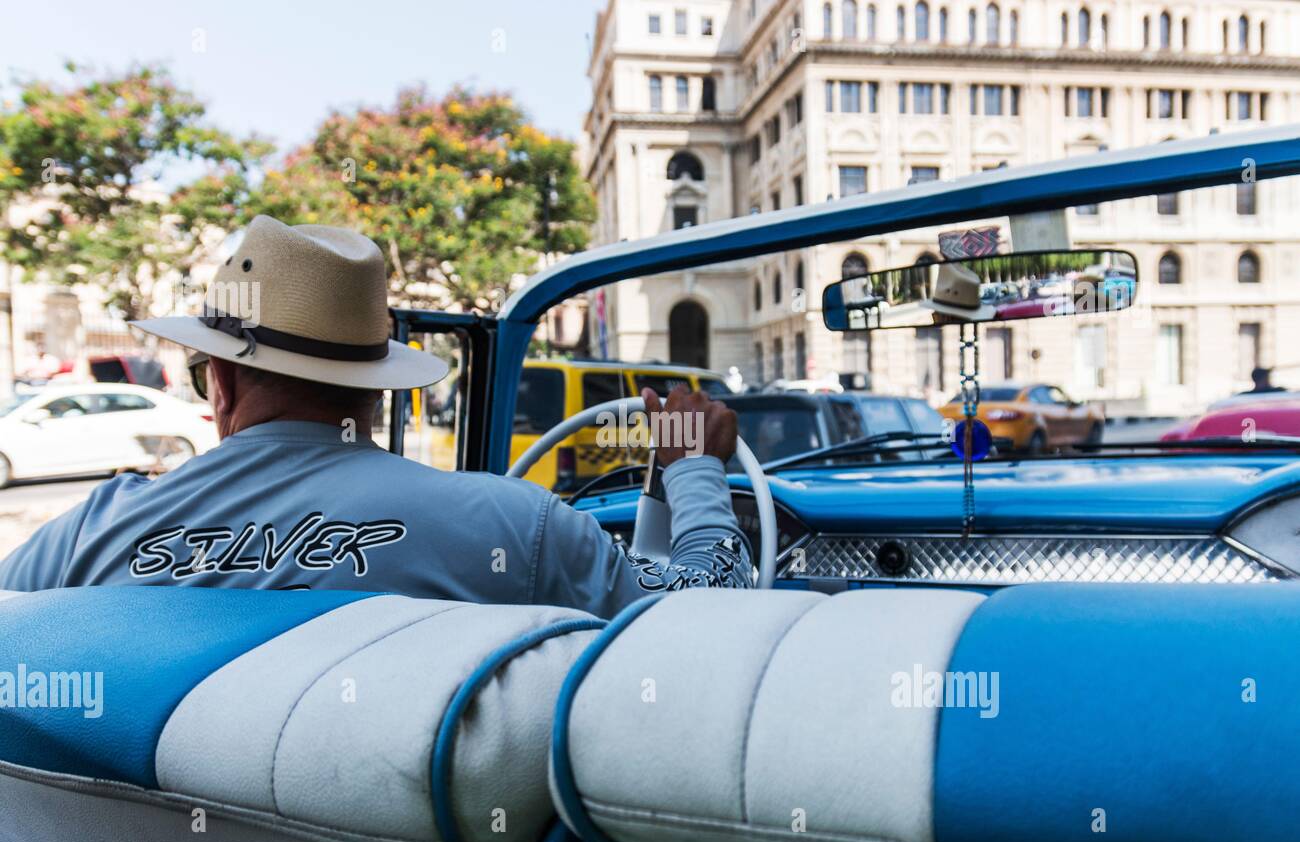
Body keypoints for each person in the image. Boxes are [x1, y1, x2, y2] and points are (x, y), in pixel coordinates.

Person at [0, 216, 750, 616]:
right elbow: (704, 627)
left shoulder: (82, 540)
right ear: (382, 386)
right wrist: (691, 474)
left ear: (220, 382)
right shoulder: (513, 531)